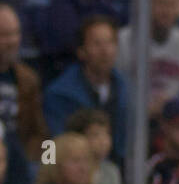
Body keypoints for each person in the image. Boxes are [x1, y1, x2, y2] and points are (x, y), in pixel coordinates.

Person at [42, 15, 129, 166]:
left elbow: (127, 147)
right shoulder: (59, 94)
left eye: (110, 43)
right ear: (81, 51)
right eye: (97, 44)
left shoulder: (127, 91)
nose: (105, 51)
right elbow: (51, 147)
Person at [0, 2, 46, 184]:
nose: (12, 41)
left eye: (16, 33)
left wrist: (49, 165)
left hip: (17, 158)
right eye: (4, 35)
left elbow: (42, 133)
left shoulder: (28, 79)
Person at [43, 0, 129, 79]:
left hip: (115, 69)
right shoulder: (63, 0)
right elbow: (71, 40)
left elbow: (126, 31)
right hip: (73, 70)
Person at [65, 106, 121, 184]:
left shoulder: (111, 172)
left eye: (107, 134)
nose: (103, 141)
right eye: (95, 135)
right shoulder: (69, 171)